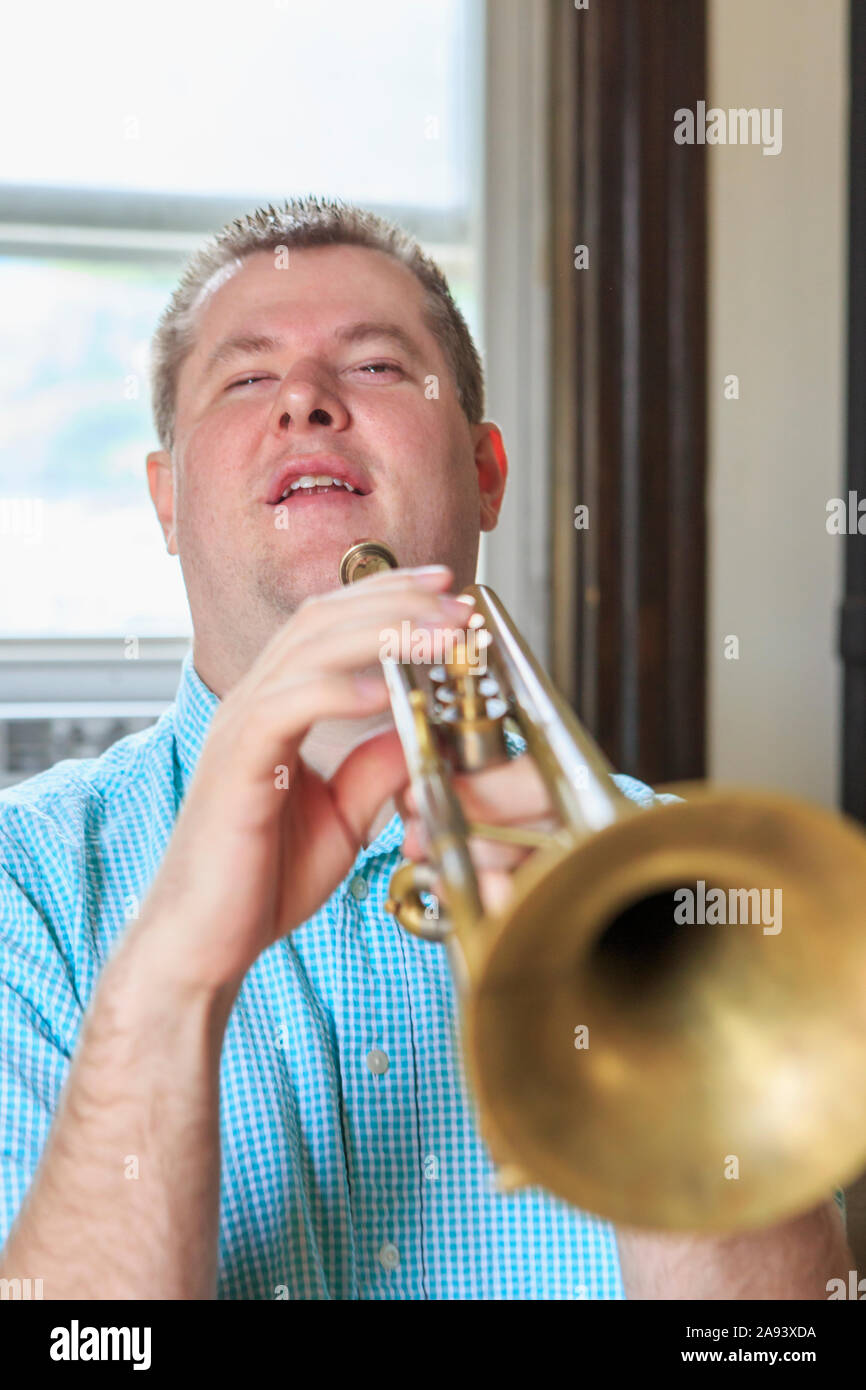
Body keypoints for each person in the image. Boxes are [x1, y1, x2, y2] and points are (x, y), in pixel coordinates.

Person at [0, 198, 851, 1300]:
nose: (306, 400)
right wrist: (166, 982)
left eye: (377, 367)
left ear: (486, 471)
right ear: (166, 498)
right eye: (247, 378)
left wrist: (644, 992)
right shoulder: (22, 882)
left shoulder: (673, 871)